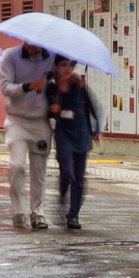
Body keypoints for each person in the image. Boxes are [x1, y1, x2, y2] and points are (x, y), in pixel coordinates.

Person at [0, 37, 55, 230]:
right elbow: (5, 87)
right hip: (16, 120)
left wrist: (71, 79)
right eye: (29, 43)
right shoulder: (10, 55)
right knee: (17, 165)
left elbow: (61, 76)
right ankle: (17, 211)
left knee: (39, 172)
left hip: (40, 121)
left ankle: (37, 214)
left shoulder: (52, 56)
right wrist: (29, 86)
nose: (33, 47)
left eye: (37, 44)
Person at [48, 58, 101, 229]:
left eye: (71, 65)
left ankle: (73, 215)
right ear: (56, 67)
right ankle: (63, 195)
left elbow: (94, 109)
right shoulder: (51, 87)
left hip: (82, 136)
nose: (68, 69)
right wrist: (51, 110)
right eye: (63, 65)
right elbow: (45, 110)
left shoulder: (79, 87)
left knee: (79, 179)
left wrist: (97, 131)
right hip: (64, 136)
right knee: (67, 174)